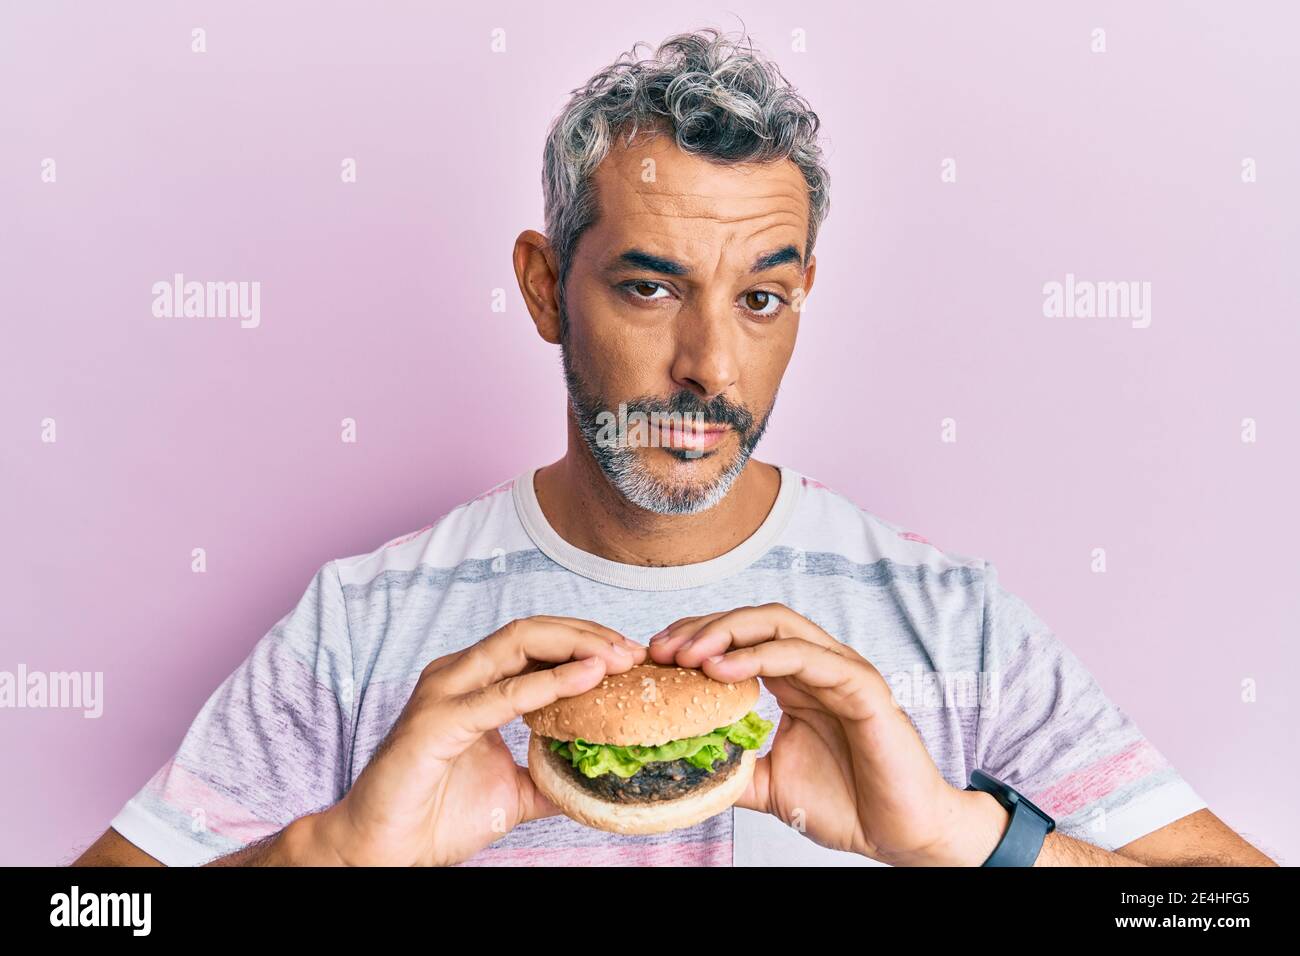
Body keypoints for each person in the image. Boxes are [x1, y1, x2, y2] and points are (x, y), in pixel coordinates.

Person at [74, 27, 1274, 867]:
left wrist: (968, 841)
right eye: (651, 288)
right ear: (546, 287)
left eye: (762, 298)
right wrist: (325, 857)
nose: (710, 363)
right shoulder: (363, 621)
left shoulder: (945, 618)